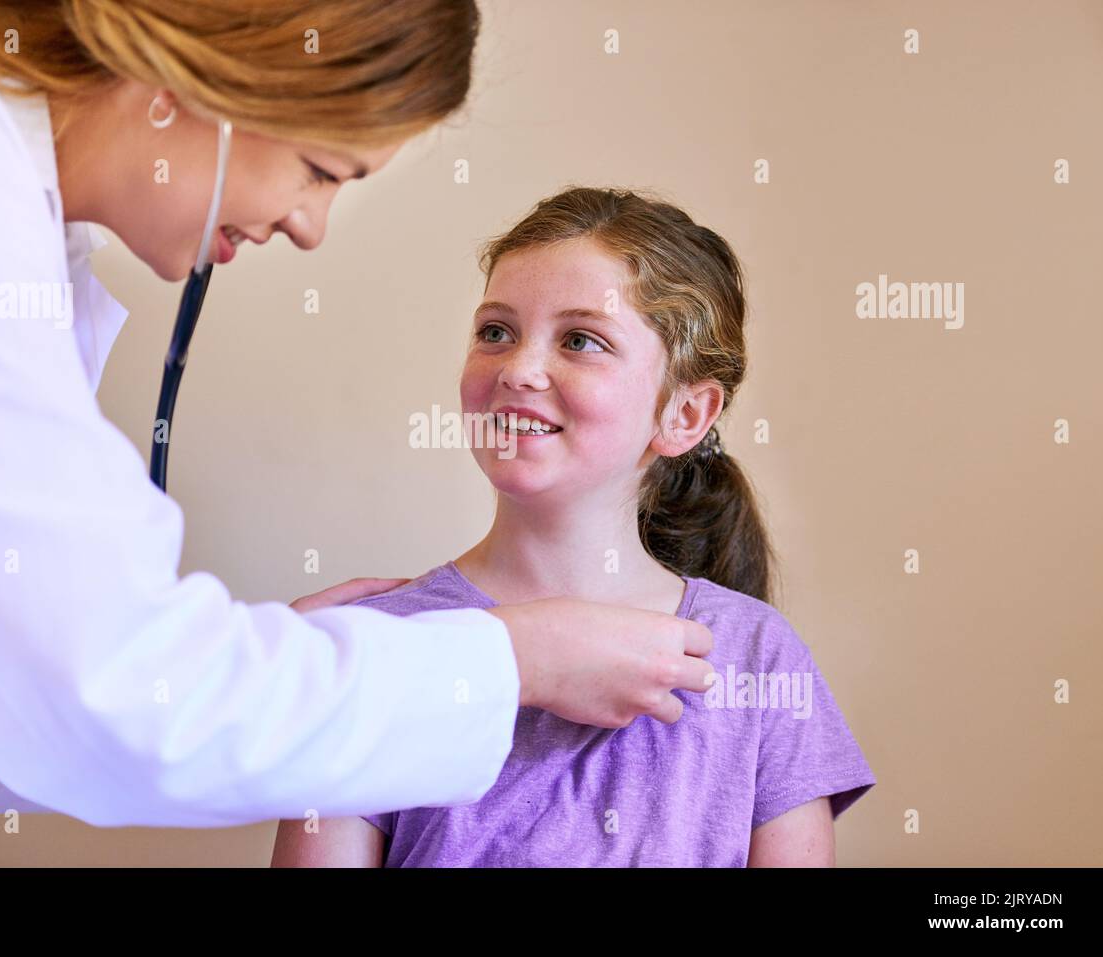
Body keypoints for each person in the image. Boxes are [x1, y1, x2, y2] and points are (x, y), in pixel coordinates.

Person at [0, 2, 717, 868]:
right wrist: (519, 660)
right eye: (322, 170)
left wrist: (267, 654)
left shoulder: (7, 237)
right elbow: (108, 710)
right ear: (217, 65)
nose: (309, 227)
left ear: (689, 414)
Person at [271, 187, 876, 867]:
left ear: (683, 413)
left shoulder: (760, 658)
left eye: (581, 340)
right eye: (495, 331)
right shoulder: (381, 649)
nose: (519, 370)